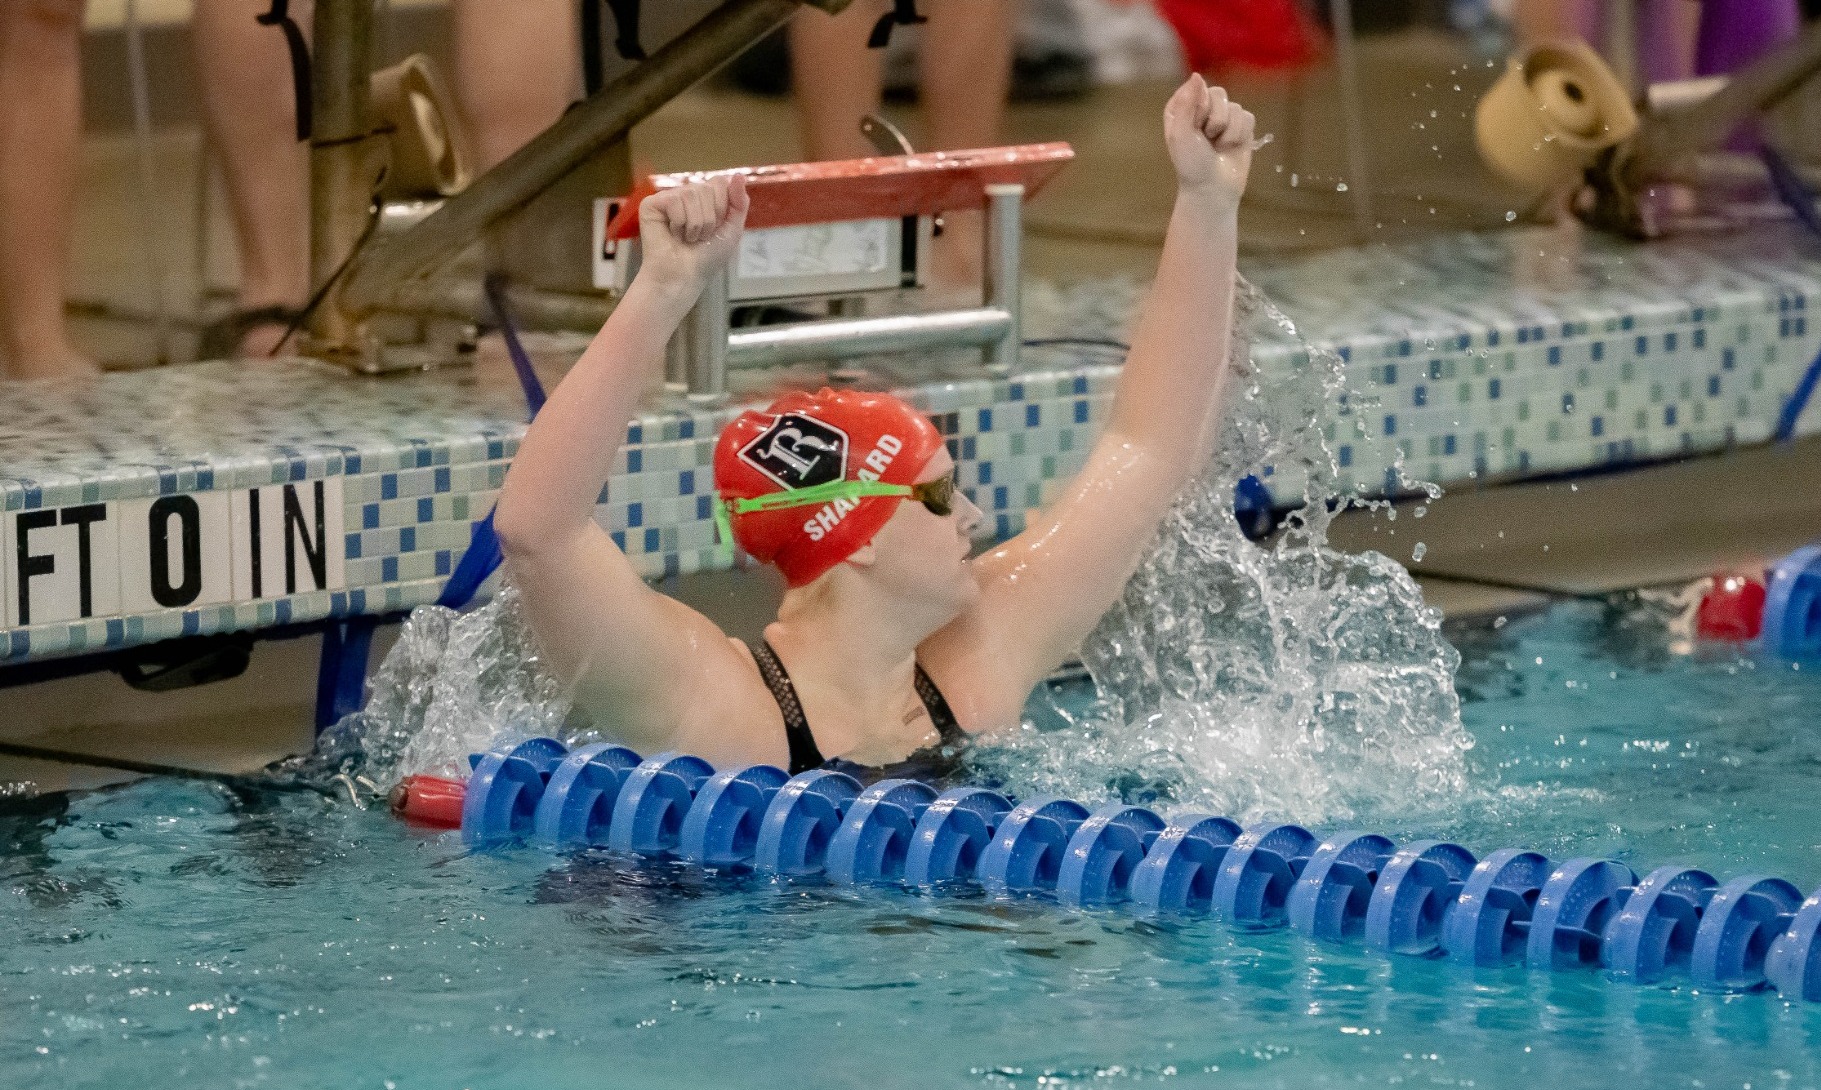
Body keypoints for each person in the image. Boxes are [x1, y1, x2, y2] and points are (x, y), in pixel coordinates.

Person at [493, 74, 1253, 778]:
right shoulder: (711, 709)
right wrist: (663, 290)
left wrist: (1207, 206)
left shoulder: (974, 665)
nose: (973, 516)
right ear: (853, 536)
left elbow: (1145, 451)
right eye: (938, 495)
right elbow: (539, 530)